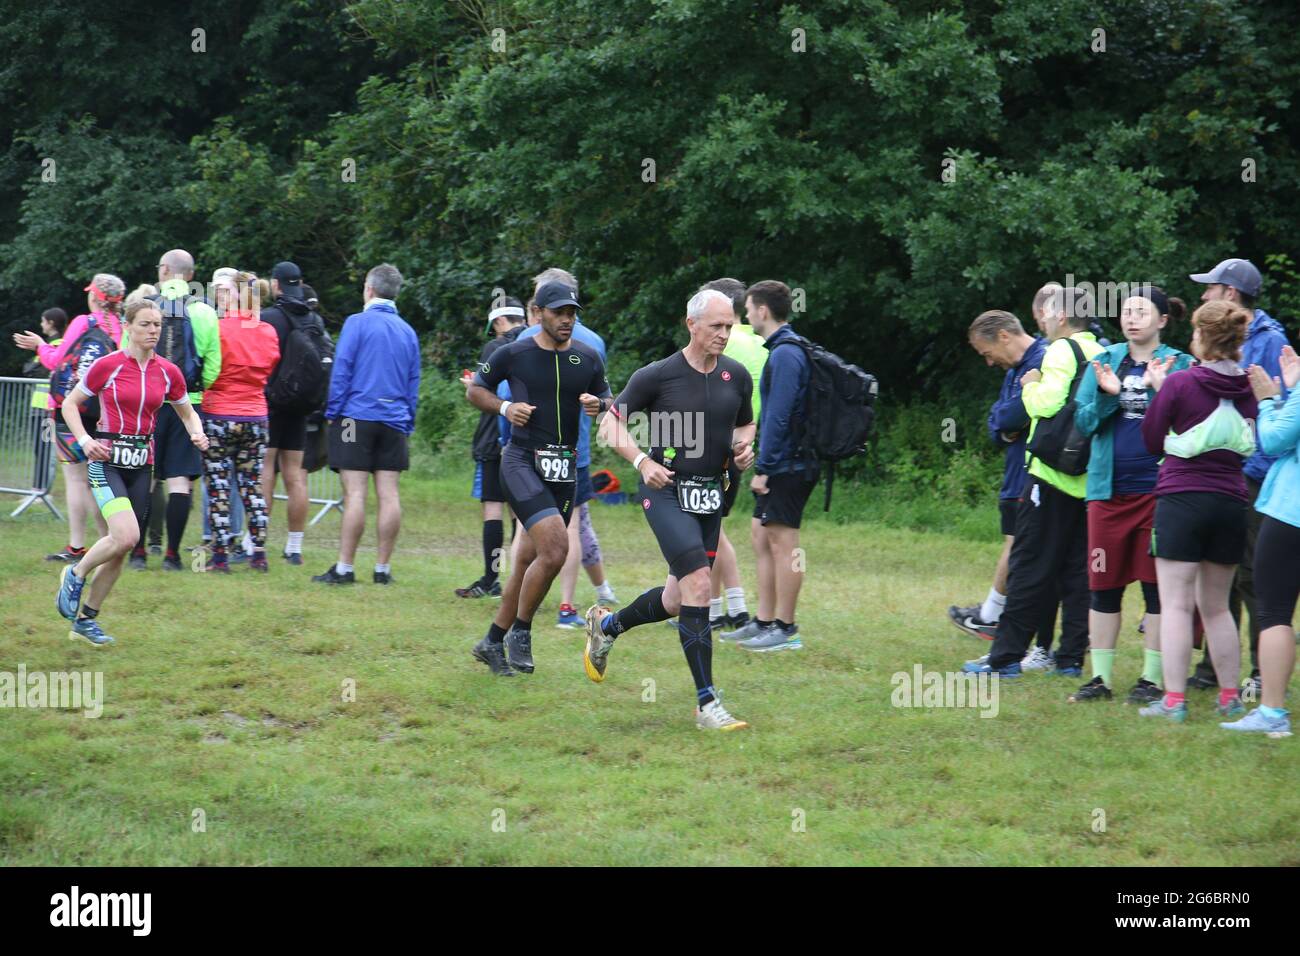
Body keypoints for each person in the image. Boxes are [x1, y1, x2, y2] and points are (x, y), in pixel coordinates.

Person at [583, 288, 755, 729]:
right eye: (716, 326)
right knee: (700, 585)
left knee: (678, 599)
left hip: (710, 497)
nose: (724, 334)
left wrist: (743, 447)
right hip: (664, 491)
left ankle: (607, 627)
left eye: (729, 326)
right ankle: (707, 704)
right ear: (691, 324)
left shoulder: (736, 376)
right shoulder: (656, 376)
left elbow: (745, 422)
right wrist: (642, 461)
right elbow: (610, 422)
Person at [465, 280, 611, 675]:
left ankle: (492, 642)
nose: (567, 319)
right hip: (521, 461)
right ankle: (522, 631)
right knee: (556, 551)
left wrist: (601, 404)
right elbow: (476, 390)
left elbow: (609, 398)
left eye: (572, 313)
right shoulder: (514, 353)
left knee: (530, 560)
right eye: (559, 312)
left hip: (564, 469)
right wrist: (506, 407)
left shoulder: (588, 356)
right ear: (539, 312)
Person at [964, 286, 1105, 678]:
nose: (1040, 320)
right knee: (1077, 573)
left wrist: (1029, 386)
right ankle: (1071, 658)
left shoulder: (1061, 350)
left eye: (1045, 314)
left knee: (1028, 566)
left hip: (1049, 476)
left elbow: (1047, 405)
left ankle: (1004, 658)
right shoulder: (1100, 351)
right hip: (1086, 480)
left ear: (1060, 317)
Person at [54, 298, 210, 644]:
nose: (153, 330)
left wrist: (196, 431)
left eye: (157, 325)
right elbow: (69, 404)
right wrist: (84, 439)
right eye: (145, 324)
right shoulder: (107, 366)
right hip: (106, 460)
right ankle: (76, 573)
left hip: (142, 465)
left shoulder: (168, 372)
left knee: (123, 546)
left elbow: (187, 411)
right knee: (126, 536)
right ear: (128, 327)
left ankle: (86, 620)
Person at [1067, 287, 1193, 704]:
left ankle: (1151, 679)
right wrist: (1108, 395)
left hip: (1161, 493)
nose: (1131, 318)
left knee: (1157, 588)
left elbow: (1190, 422)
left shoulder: (1180, 363)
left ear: (1161, 320)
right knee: (1103, 585)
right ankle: (1099, 679)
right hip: (1107, 492)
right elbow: (1083, 421)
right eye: (1125, 312)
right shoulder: (1102, 361)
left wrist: (1160, 389)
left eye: (1141, 312)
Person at [1136, 301, 1258, 722]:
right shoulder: (1249, 385)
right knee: (1218, 606)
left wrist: (1158, 390)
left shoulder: (1180, 383)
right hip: (1231, 500)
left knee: (1176, 605)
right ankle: (1230, 696)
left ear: (1203, 337)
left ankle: (1173, 701)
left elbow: (1152, 439)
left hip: (1182, 498)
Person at [1186, 258, 1291, 697]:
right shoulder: (1223, 332)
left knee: (1250, 575)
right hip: (1222, 467)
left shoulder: (1270, 340)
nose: (1204, 294)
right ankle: (1213, 667)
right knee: (1218, 570)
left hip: (1254, 472)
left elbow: (1278, 405)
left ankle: (1259, 673)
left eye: (1210, 287)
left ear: (1230, 293)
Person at [953, 309, 1061, 668]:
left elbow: (1016, 416)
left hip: (1037, 478)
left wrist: (1010, 419)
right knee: (1022, 555)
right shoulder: (1016, 369)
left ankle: (1017, 641)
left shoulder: (1044, 359)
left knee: (1029, 561)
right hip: (1016, 475)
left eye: (987, 353)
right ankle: (1020, 638)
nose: (988, 363)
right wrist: (1005, 422)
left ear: (1002, 336)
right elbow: (998, 420)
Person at [518, 269, 618, 626]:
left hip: (532, 452)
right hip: (570, 450)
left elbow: (504, 398)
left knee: (525, 528)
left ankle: (519, 600)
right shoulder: (594, 342)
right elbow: (602, 397)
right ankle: (565, 607)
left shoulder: (525, 338)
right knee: (570, 526)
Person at [313, 264, 420, 585]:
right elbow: (413, 381)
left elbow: (342, 369)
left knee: (355, 493)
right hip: (395, 419)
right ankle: (382, 569)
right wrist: (408, 419)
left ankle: (345, 567)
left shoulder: (356, 323)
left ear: (368, 289)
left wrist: (332, 411)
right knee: (389, 495)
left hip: (355, 417)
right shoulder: (407, 331)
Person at [13, 276, 126, 564]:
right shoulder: (124, 328)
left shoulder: (84, 323)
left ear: (95, 297)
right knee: (98, 480)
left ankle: (77, 547)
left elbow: (55, 361)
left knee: (77, 480)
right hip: (107, 415)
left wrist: (40, 346)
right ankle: (109, 541)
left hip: (72, 411)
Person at [732, 280, 816, 652]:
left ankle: (786, 628)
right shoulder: (781, 350)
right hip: (784, 459)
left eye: (749, 309)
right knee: (761, 535)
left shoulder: (786, 355)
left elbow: (779, 417)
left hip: (791, 464)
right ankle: (763, 621)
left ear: (763, 310)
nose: (747, 316)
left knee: (785, 543)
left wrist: (764, 467)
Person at [1224, 346, 1300, 733]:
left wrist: (1270, 400)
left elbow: (1272, 440)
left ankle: (1271, 712)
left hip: (1291, 513)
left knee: (1274, 614)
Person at [139, 249, 222, 571]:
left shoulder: (144, 308)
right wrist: (195, 391)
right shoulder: (204, 311)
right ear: (189, 275)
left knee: (144, 479)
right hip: (188, 406)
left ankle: (138, 553)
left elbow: (125, 353)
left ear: (163, 270)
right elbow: (214, 363)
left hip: (147, 404)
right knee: (179, 482)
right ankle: (173, 555)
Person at [200, 271, 280, 572]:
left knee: (218, 485)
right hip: (256, 416)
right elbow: (270, 366)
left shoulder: (217, 329)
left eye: (224, 292)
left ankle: (220, 555)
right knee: (252, 485)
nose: (219, 296)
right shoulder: (268, 331)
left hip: (219, 412)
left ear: (236, 295)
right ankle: (258, 554)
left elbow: (208, 367)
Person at [699, 278, 764, 637]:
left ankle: (719, 608)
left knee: (709, 528)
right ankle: (728, 607)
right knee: (715, 526)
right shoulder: (761, 343)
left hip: (713, 443)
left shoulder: (721, 343)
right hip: (748, 441)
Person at [455, 295, 527, 599]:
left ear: (499, 321)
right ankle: (517, 578)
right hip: (527, 439)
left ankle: (490, 578)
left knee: (493, 508)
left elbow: (484, 392)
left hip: (493, 437)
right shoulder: (539, 343)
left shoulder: (495, 347)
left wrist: (471, 386)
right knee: (520, 513)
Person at [260, 262, 322, 566]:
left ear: (275, 285)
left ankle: (255, 542)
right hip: (301, 407)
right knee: (296, 476)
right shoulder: (315, 320)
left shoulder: (267, 318)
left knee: (266, 470)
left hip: (269, 403)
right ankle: (294, 548)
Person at [21, 308, 67, 496]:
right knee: (40, 449)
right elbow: (30, 369)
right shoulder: (48, 346)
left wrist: (38, 358)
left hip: (47, 408)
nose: (41, 325)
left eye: (43, 321)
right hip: (40, 407)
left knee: (45, 449)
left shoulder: (56, 346)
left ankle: (42, 492)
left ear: (50, 323)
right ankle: (37, 489)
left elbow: (33, 370)